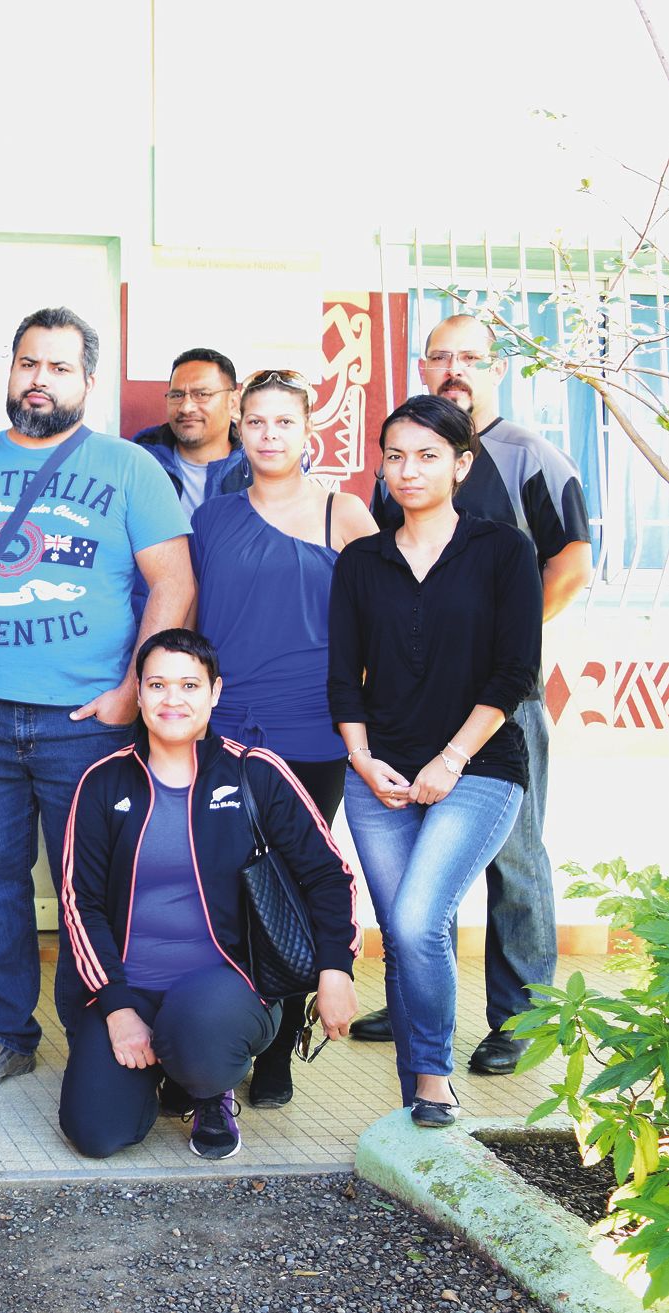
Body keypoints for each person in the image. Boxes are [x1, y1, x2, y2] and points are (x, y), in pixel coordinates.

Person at [0, 306, 194, 1094]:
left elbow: (173, 581)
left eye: (56, 367)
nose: (38, 380)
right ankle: (4, 1032)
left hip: (85, 720)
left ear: (86, 380)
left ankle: (96, 1029)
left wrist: (131, 690)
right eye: (26, 364)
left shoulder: (129, 468)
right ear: (8, 372)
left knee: (96, 886)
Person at [352, 313, 593, 1076]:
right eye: (440, 355)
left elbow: (571, 566)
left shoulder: (530, 456)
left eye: (470, 356)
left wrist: (498, 651)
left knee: (512, 855)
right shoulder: (401, 464)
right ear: (422, 367)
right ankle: (416, 994)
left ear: (496, 368)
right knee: (423, 849)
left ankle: (520, 1018)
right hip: (410, 697)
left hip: (500, 697)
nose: (454, 366)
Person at [57, 630, 359, 1160]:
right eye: (157, 684)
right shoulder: (103, 783)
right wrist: (119, 1008)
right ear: (139, 692)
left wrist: (336, 969)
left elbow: (329, 875)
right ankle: (160, 1070)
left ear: (215, 692)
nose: (173, 699)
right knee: (95, 1133)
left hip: (226, 989)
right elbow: (80, 904)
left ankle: (206, 1088)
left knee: (199, 1027)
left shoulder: (255, 773)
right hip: (133, 986)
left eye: (189, 684)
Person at [330, 393, 541, 1127]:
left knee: (420, 917)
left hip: (478, 767)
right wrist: (360, 760)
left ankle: (433, 1080)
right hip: (379, 770)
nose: (407, 469)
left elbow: (514, 672)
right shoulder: (361, 559)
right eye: (394, 455)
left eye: (426, 455)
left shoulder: (503, 551)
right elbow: (341, 674)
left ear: (461, 464)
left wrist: (450, 758)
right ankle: (415, 1093)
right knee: (400, 935)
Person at [189, 368, 375, 1109]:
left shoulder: (346, 513)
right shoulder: (211, 519)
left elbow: (380, 623)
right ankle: (226, 1034)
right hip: (225, 726)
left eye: (283, 422)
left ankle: (278, 1050)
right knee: (221, 881)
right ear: (238, 429)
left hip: (311, 728)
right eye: (255, 422)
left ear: (309, 433)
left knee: (294, 884)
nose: (268, 435)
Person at [130, 347, 251, 515]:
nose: (186, 408)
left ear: (233, 403)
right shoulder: (136, 462)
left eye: (201, 394)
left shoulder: (256, 469)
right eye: (177, 395)